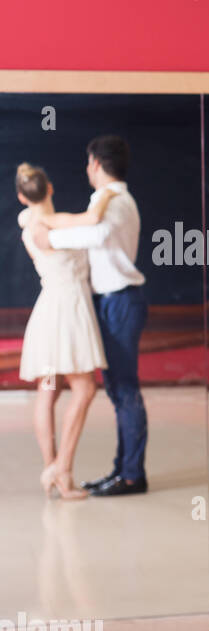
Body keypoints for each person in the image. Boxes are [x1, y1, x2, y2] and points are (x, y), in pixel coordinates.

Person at [27, 136, 148, 497]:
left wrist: (50, 241)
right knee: (103, 388)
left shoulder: (113, 199)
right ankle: (105, 470)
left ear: (96, 164)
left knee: (120, 389)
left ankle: (127, 474)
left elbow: (95, 233)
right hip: (89, 307)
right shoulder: (104, 201)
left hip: (113, 302)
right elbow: (91, 229)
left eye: (88, 163)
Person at [14, 163, 111, 499]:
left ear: (21, 197)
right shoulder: (49, 222)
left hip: (50, 311)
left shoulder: (29, 225)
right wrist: (107, 193)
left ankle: (55, 470)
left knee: (49, 388)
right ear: (50, 188)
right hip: (68, 309)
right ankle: (61, 468)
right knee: (84, 389)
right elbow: (91, 219)